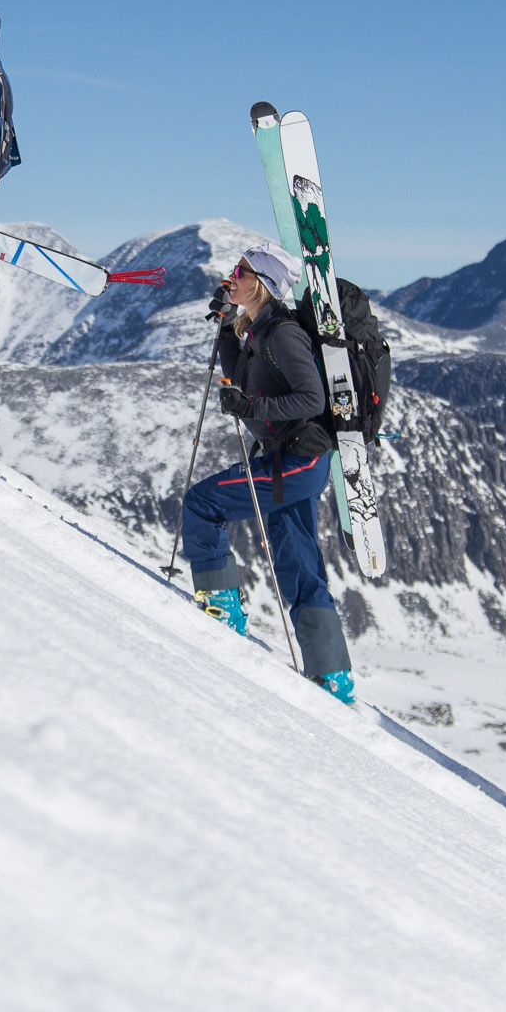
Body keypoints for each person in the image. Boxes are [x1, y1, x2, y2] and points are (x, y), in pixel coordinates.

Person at [179, 248, 355, 702]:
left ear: (263, 283)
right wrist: (224, 329)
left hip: (296, 462)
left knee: (203, 502)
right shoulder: (257, 331)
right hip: (294, 461)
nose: (229, 277)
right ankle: (331, 671)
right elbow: (239, 376)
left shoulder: (283, 334)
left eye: (240, 272)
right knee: (298, 559)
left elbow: (311, 400)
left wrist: (252, 407)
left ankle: (220, 606)